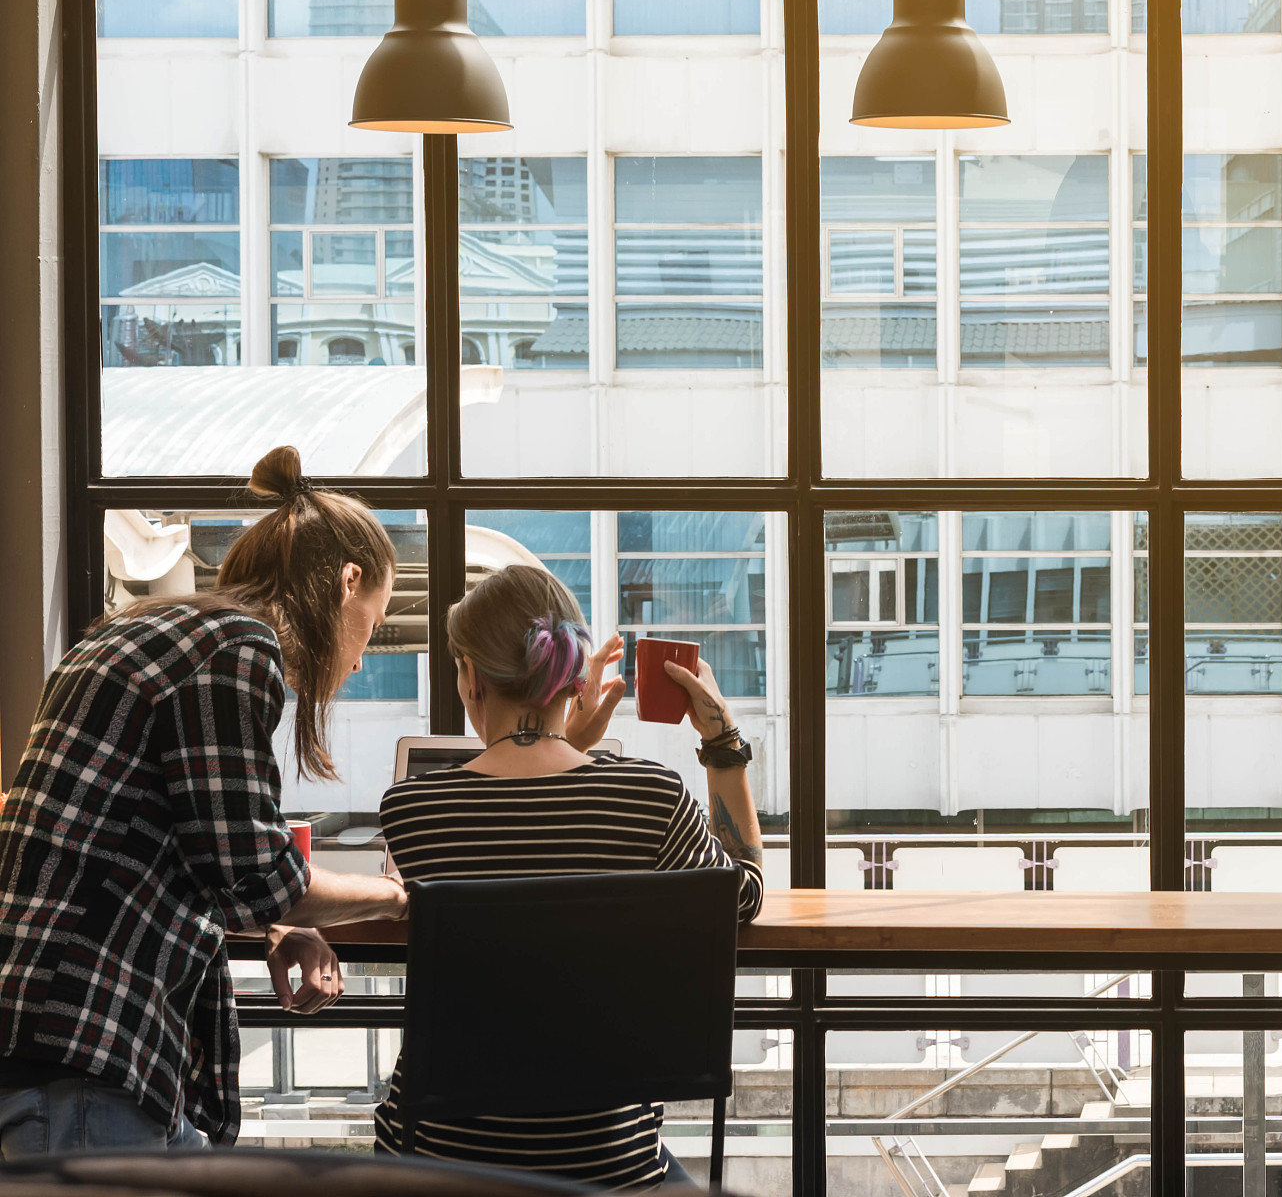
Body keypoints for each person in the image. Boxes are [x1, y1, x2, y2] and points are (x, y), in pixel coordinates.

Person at [0, 446, 412, 1155]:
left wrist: (279, 926)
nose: (359, 659)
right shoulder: (235, 648)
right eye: (371, 626)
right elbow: (253, 872)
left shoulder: (135, 630)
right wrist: (395, 899)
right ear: (347, 581)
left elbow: (169, 851)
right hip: (84, 1041)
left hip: (41, 1026)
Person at [374, 564, 765, 1191]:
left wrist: (565, 742)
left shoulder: (414, 810)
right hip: (607, 1166)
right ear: (574, 678)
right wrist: (722, 743)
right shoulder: (651, 797)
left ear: (470, 677)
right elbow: (743, 892)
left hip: (437, 1161)